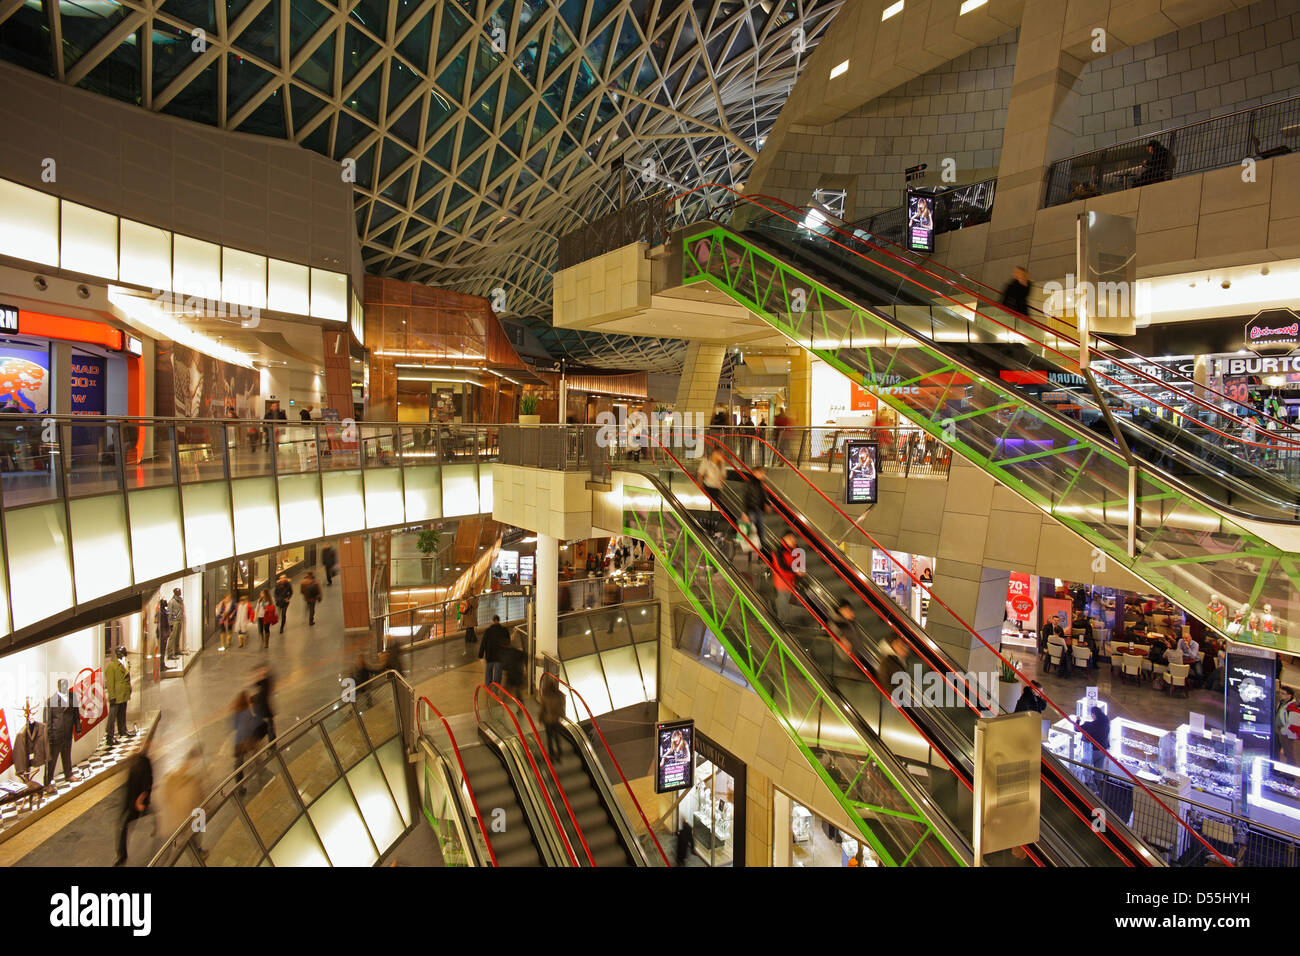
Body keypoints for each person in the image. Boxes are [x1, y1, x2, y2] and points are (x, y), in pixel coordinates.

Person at [161, 747, 205, 861]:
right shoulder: (193, 775)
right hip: (188, 815)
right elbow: (199, 794)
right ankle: (197, 855)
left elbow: (166, 796)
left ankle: (197, 853)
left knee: (189, 836)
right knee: (193, 835)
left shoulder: (176, 773)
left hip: (178, 816)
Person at [114, 736, 152, 866]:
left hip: (138, 802)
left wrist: (140, 801)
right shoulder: (134, 763)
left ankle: (122, 855)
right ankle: (122, 855)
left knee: (125, 825)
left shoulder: (144, 763)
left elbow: (148, 784)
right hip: (130, 802)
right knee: (123, 827)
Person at [44, 679, 81, 790]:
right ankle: (47, 783)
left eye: (66, 685)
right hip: (56, 734)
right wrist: (49, 736)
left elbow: (76, 714)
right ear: (58, 686)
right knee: (51, 761)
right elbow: (47, 721)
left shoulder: (72, 697)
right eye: (62, 685)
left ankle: (68, 774)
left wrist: (78, 727)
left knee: (66, 755)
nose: (64, 687)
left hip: (68, 733)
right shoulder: (51, 701)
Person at [232, 691, 267, 786]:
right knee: (256, 753)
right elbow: (248, 727)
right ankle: (260, 770)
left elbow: (234, 726)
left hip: (238, 740)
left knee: (239, 762)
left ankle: (239, 783)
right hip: (246, 739)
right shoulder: (246, 712)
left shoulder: (236, 711)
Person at [697, 447, 730, 537]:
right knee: (709, 508)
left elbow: (723, 476)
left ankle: (713, 528)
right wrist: (700, 486)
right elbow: (700, 473)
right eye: (719, 453)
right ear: (714, 453)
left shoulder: (721, 464)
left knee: (716, 508)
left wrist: (720, 483)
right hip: (708, 487)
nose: (720, 456)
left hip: (716, 488)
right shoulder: (706, 461)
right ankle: (708, 528)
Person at [105, 646, 132, 747]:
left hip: (124, 692)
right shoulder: (112, 666)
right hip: (116, 695)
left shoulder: (126, 662)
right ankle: (109, 736)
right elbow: (110, 683)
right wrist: (112, 696)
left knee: (122, 713)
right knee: (112, 716)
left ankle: (123, 730)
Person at [742, 465, 770, 560]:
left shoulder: (760, 484)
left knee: (760, 532)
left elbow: (763, 496)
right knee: (752, 533)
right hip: (751, 511)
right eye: (761, 472)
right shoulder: (750, 483)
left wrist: (766, 504)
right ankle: (752, 554)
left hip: (758, 510)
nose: (763, 474)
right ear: (755, 473)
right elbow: (746, 498)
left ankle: (762, 554)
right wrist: (745, 513)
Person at [1079, 705, 1112, 786]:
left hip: (1093, 750)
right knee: (1099, 768)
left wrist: (1077, 720)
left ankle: (1089, 784)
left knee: (1085, 766)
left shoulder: (1090, 724)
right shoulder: (1106, 723)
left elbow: (1076, 728)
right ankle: (1100, 783)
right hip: (1104, 750)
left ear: (1093, 714)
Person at [539, 674, 566, 763]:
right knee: (557, 736)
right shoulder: (559, 695)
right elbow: (562, 705)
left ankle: (552, 755)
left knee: (549, 738)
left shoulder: (545, 697)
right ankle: (560, 753)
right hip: (556, 719)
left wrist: (540, 719)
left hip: (548, 720)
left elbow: (543, 710)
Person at [479, 614, 511, 687]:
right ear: (499, 621)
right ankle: (496, 687)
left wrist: (480, 654)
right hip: (500, 655)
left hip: (490, 655)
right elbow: (508, 642)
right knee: (498, 672)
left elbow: (483, 643)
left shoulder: (488, 631)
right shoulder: (504, 630)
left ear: (493, 621)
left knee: (488, 671)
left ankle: (488, 686)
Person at [251, 667, 276, 742]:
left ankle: (272, 744)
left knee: (269, 729)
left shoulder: (267, 683)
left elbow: (259, 685)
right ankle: (271, 742)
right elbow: (255, 684)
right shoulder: (264, 683)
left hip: (265, 711)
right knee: (269, 729)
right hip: (263, 711)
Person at [167, 587, 185, 663]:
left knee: (178, 636)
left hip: (179, 620)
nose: (180, 592)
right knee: (172, 637)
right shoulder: (171, 602)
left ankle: (177, 650)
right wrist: (170, 623)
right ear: (175, 592)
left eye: (180, 591)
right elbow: (169, 613)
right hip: (174, 622)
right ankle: (170, 653)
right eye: (178, 591)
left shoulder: (180, 600)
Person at [154, 597, 171, 669]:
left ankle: (162, 664)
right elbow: (157, 622)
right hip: (162, 633)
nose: (166, 603)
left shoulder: (164, 611)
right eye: (164, 602)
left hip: (164, 632)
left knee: (163, 650)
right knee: (162, 650)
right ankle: (161, 665)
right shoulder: (160, 612)